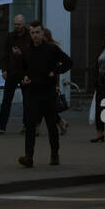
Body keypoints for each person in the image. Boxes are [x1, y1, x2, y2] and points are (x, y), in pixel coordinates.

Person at [18, 20, 72, 167]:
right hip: (32, 92)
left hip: (48, 93)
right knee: (30, 125)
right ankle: (29, 156)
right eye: (32, 33)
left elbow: (68, 62)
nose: (35, 35)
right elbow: (21, 69)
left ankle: (55, 154)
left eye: (37, 32)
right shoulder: (27, 50)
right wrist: (24, 78)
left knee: (51, 125)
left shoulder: (51, 49)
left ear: (42, 33)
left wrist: (55, 72)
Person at [0, 13, 32, 135]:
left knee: (27, 100)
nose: (16, 26)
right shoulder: (10, 36)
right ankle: (1, 125)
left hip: (24, 72)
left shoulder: (29, 36)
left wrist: (21, 53)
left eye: (19, 24)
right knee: (6, 99)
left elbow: (31, 53)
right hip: (12, 71)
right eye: (15, 24)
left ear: (24, 24)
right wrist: (4, 69)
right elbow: (5, 54)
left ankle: (27, 125)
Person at [42, 27, 68, 136]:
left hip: (50, 83)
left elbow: (57, 68)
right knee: (45, 107)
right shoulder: (40, 48)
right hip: (42, 82)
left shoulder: (53, 49)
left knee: (48, 107)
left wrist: (57, 85)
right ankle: (61, 122)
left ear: (46, 37)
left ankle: (61, 122)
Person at [92, 27, 105, 143]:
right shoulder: (103, 48)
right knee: (99, 108)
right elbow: (97, 63)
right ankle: (99, 133)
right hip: (101, 82)